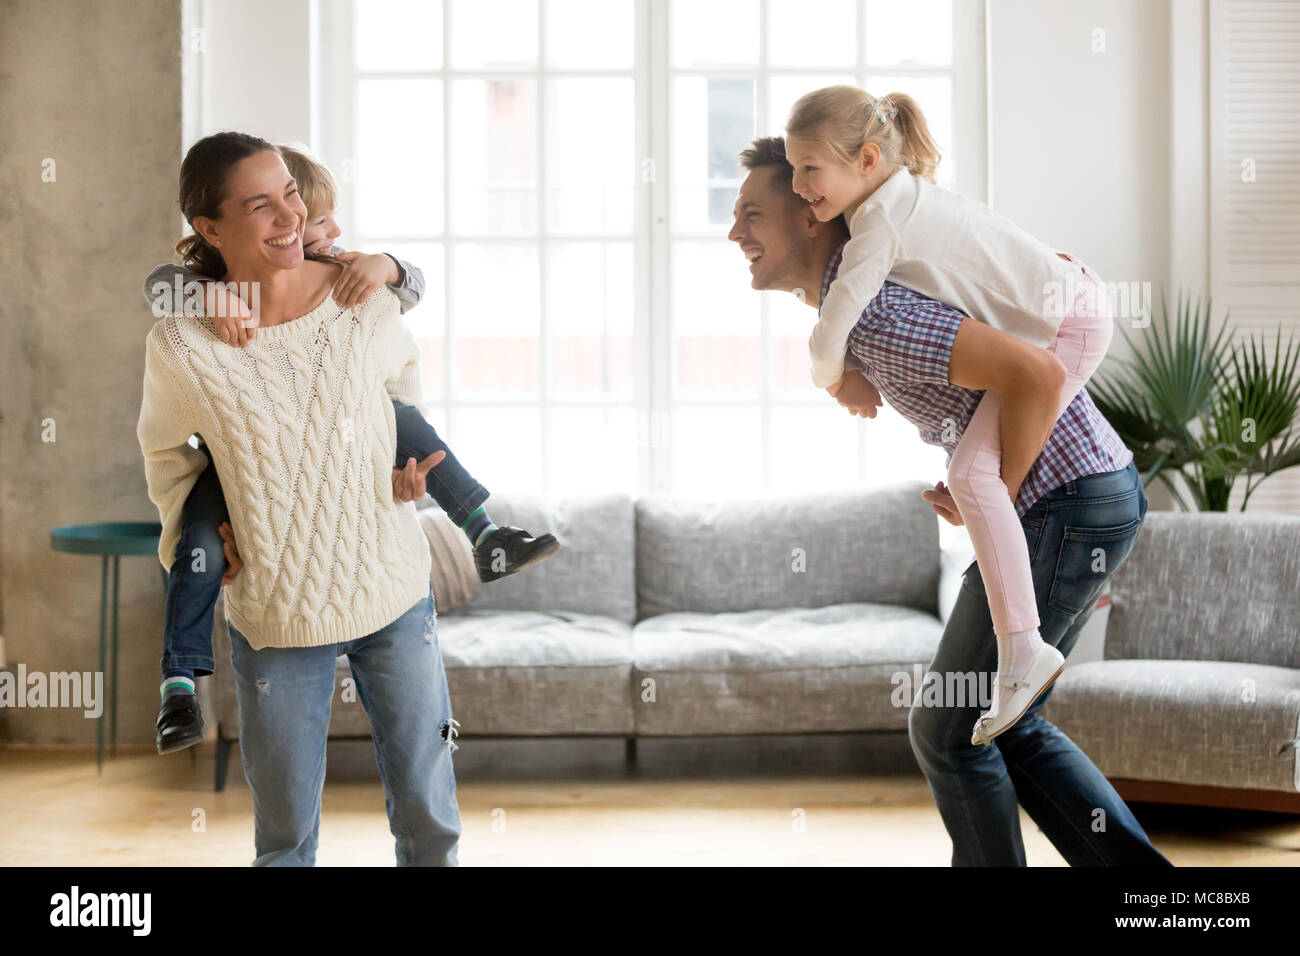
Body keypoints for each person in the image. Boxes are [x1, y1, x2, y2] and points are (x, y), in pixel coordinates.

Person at [728, 135, 1171, 866]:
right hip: (1079, 496)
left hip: (1069, 501)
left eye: (752, 213)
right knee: (1001, 724)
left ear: (811, 216)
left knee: (951, 728)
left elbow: (1036, 374)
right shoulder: (858, 305)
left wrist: (996, 489)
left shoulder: (873, 313)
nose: (735, 232)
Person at [142, 143, 557, 756]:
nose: (323, 231)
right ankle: (178, 681)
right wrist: (206, 296)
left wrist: (387, 263)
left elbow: (409, 301)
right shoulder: (198, 308)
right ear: (216, 228)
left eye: (301, 206)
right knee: (198, 541)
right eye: (310, 219)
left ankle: (484, 533)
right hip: (235, 474)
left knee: (404, 419)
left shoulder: (346, 279)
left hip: (382, 563)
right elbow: (159, 287)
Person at [138, 131, 460, 865]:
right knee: (284, 837)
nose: (289, 215)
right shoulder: (183, 344)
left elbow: (400, 395)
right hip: (276, 608)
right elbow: (165, 452)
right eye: (261, 205)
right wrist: (197, 534)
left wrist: (401, 469)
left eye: (290, 192)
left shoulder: (364, 303)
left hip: (393, 586)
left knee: (429, 814)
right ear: (210, 229)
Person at [785, 85, 1115, 743]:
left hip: (1068, 325)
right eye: (793, 171)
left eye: (808, 169)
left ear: (868, 159)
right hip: (1072, 304)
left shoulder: (879, 223)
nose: (799, 187)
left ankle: (1025, 650)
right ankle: (1038, 626)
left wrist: (837, 379)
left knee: (974, 479)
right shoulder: (898, 196)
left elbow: (831, 329)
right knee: (974, 476)